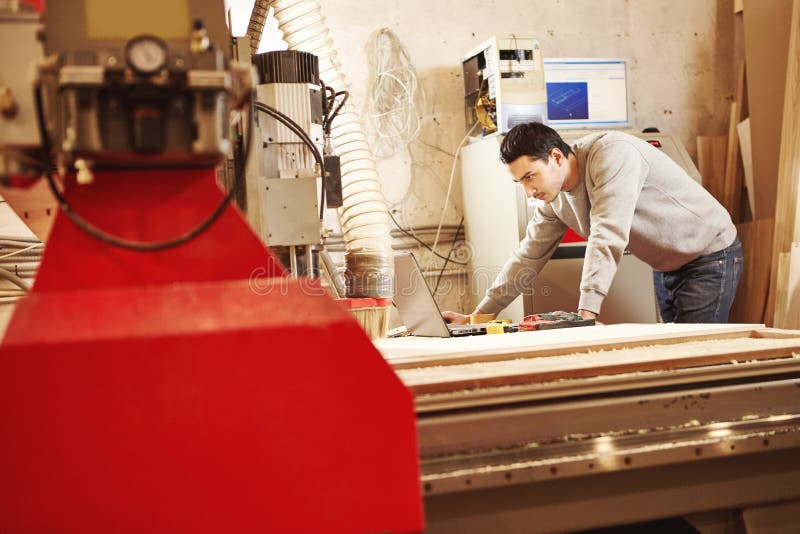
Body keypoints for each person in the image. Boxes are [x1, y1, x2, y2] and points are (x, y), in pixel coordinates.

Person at [443, 122, 742, 325]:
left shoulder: (611, 154)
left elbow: (606, 233)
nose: (528, 191)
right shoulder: (553, 199)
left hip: (708, 254)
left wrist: (586, 314)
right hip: (667, 265)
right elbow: (527, 257)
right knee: (678, 357)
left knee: (697, 361)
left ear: (556, 157)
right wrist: (478, 317)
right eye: (520, 182)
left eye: (530, 176)